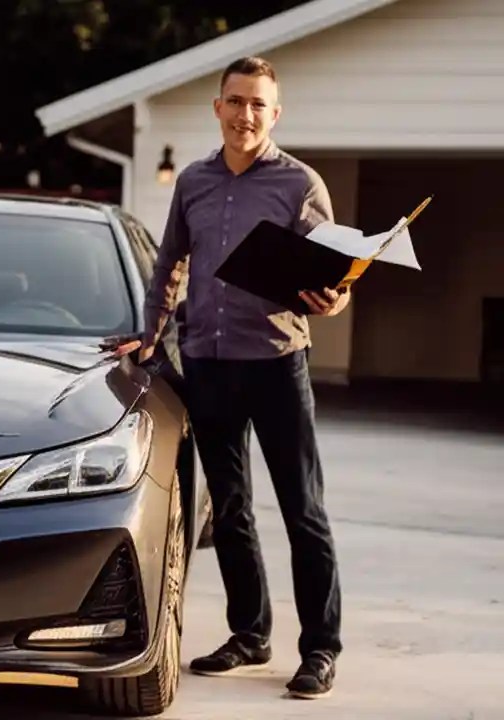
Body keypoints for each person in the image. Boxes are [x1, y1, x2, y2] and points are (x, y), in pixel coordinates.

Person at [125, 56, 346, 700]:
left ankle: (320, 649)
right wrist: (152, 330)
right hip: (209, 364)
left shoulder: (300, 184)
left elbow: (337, 272)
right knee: (229, 510)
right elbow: (169, 264)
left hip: (277, 362)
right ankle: (249, 633)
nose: (246, 114)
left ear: (274, 114)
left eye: (258, 104)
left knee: (303, 509)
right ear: (217, 108)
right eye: (236, 101)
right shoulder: (192, 181)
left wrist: (337, 299)